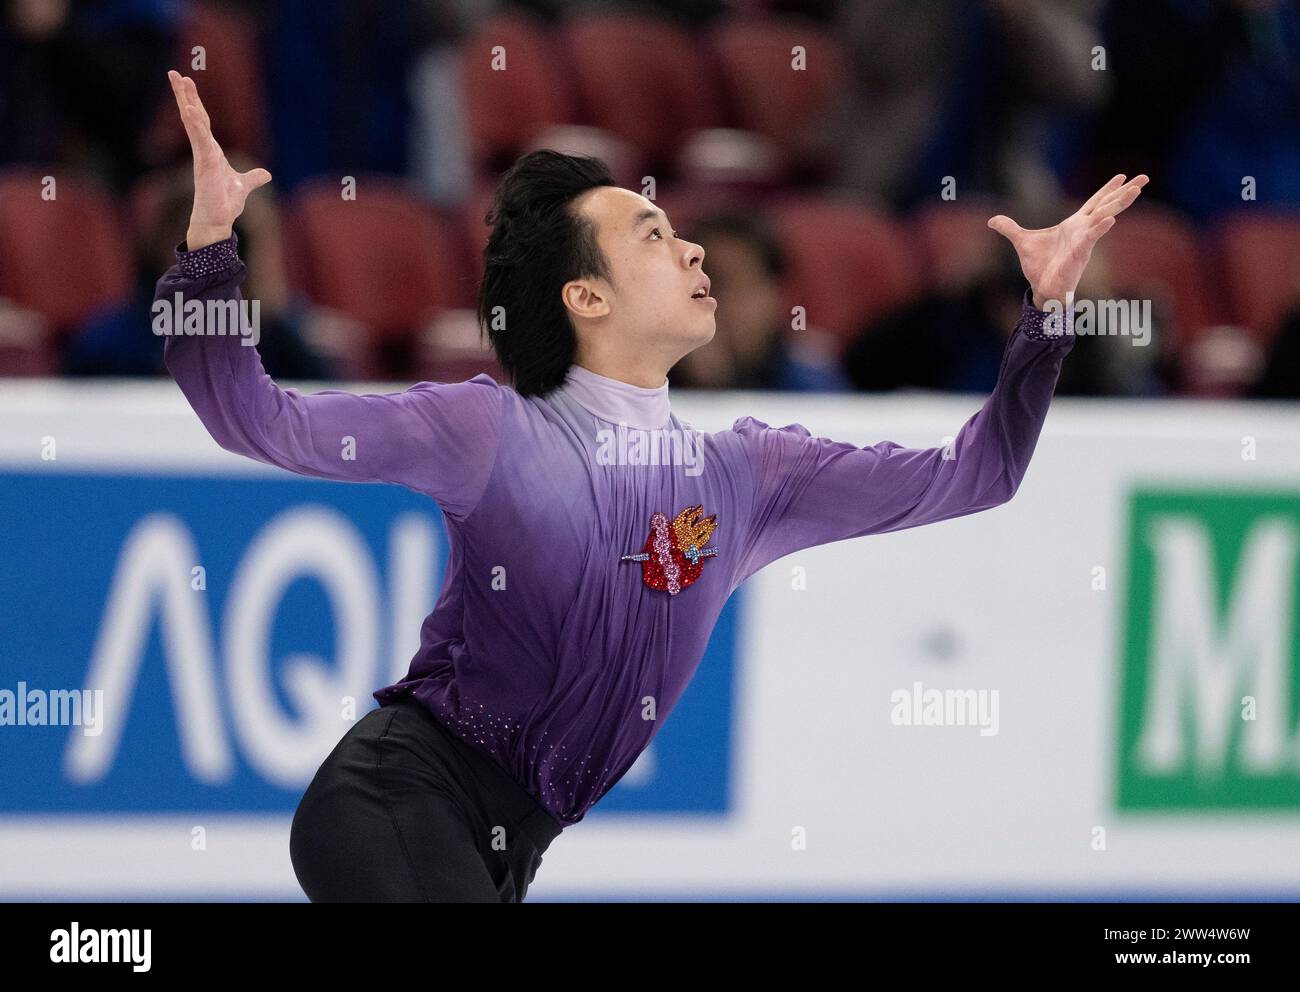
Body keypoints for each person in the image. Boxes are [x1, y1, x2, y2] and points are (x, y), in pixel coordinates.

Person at [155, 70, 1147, 902]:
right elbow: (258, 416)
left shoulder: (750, 474)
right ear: (582, 296)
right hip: (394, 800)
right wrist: (207, 252)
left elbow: (979, 475)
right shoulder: (482, 428)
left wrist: (1044, 321)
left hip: (508, 850)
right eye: (651, 234)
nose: (695, 247)